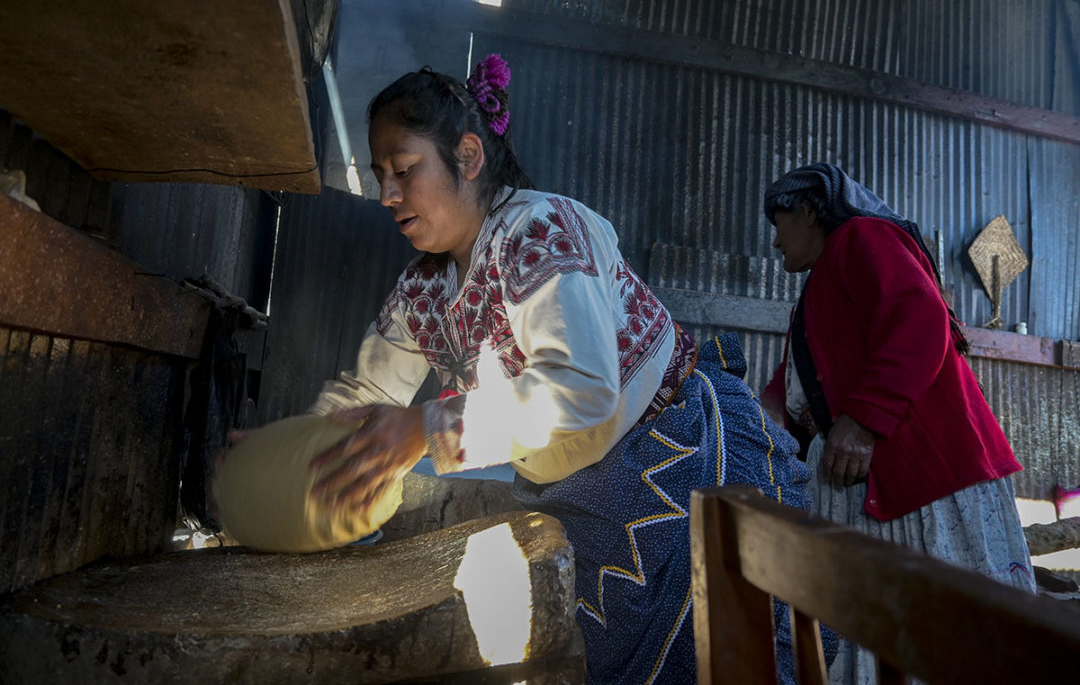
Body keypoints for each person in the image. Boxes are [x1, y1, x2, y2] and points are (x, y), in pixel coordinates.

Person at [303, 54, 812, 684]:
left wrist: (422, 430)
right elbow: (369, 390)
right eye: (381, 175)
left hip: (675, 462)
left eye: (404, 170)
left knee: (716, 659)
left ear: (467, 157)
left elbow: (583, 389)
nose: (387, 195)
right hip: (581, 496)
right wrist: (299, 452)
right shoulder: (423, 290)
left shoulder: (540, 230)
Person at [760, 163, 1036, 684]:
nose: (775, 244)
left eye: (778, 225)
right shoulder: (823, 284)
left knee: (939, 633)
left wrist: (863, 421)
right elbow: (802, 378)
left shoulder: (863, 238)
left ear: (809, 211)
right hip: (872, 483)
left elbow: (920, 321)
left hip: (922, 474)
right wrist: (761, 418)